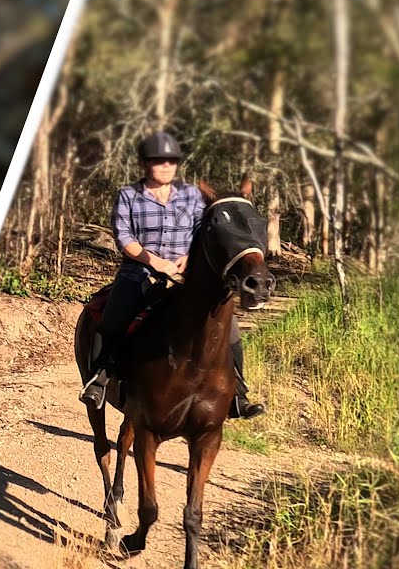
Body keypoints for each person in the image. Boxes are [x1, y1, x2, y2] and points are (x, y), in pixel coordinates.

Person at [79, 131, 265, 420]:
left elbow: (206, 234)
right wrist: (155, 261)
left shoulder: (192, 196)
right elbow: (124, 236)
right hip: (139, 272)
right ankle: (102, 377)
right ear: (145, 163)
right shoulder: (129, 195)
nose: (165, 165)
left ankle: (238, 392)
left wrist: (186, 259)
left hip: (184, 276)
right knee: (115, 315)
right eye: (157, 160)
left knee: (230, 328)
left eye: (170, 160)